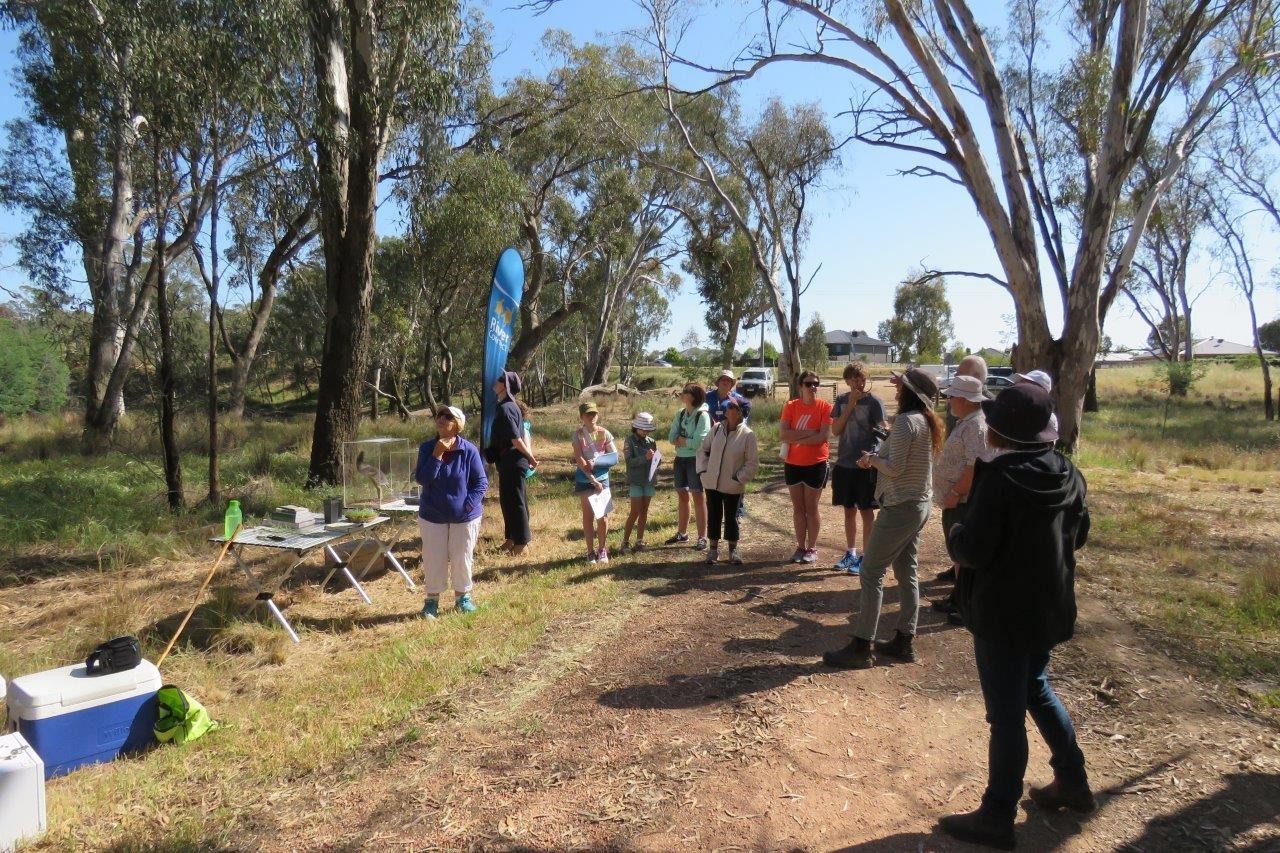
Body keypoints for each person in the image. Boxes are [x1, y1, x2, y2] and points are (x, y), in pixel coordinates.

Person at [939, 383, 1093, 849]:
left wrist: (956, 531)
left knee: (1006, 716)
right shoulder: (1069, 472)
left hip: (1002, 613)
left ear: (1001, 431)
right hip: (1046, 608)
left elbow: (973, 550)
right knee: (1036, 688)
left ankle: (997, 814)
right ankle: (1073, 780)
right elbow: (1079, 536)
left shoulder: (999, 479)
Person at [822, 368, 943, 669]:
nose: (896, 390)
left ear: (911, 392)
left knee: (872, 571)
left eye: (901, 386)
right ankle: (904, 640)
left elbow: (896, 468)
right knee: (906, 571)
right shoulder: (925, 421)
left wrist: (872, 459)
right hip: (919, 505)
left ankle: (863, 645)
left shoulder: (905, 421)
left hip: (901, 506)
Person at [414, 406, 488, 618]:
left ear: (457, 425)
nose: (441, 419)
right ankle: (431, 601)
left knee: (461, 557)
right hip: (432, 515)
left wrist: (468, 505)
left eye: (448, 417)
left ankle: (462, 597)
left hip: (464, 517)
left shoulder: (468, 450)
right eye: (439, 415)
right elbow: (423, 479)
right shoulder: (428, 448)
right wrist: (437, 454)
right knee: (433, 558)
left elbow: (481, 482)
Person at [830, 362, 887, 573]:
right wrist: (851, 405)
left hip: (866, 465)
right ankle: (851, 552)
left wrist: (875, 451)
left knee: (866, 511)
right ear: (847, 381)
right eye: (855, 379)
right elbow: (835, 430)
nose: (860, 383)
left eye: (862, 379)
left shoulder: (875, 402)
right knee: (848, 510)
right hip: (844, 463)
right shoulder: (841, 400)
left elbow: (883, 432)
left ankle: (866, 556)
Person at [696, 398, 759, 565]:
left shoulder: (748, 435)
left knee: (731, 517)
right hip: (712, 482)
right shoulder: (716, 428)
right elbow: (703, 450)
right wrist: (703, 471)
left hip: (733, 485)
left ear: (739, 412)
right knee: (714, 515)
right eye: (728, 406)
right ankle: (713, 550)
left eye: (732, 406)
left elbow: (752, 464)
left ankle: (733, 551)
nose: (727, 408)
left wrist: (738, 478)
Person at [780, 370, 833, 563]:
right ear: (800, 386)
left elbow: (823, 437)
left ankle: (812, 548)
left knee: (811, 508)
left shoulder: (825, 407)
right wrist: (811, 432)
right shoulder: (791, 406)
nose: (813, 387)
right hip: (793, 464)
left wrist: (798, 434)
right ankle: (800, 546)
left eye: (816, 383)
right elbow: (784, 435)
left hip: (816, 464)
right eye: (809, 384)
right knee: (797, 508)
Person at [487, 371, 538, 555]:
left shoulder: (507, 408)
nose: (496, 381)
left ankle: (522, 542)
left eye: (500, 380)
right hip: (506, 461)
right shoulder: (507, 406)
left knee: (516, 502)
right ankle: (511, 539)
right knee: (507, 501)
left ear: (506, 387)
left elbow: (516, 439)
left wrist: (530, 457)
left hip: (513, 461)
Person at [572, 401, 618, 564]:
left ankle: (602, 549)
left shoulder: (604, 433)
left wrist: (597, 462)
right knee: (588, 515)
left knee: (602, 515)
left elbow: (614, 457)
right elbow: (579, 458)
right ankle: (590, 551)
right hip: (585, 479)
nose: (591, 417)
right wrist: (592, 478)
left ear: (598, 415)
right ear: (581, 417)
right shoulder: (577, 435)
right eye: (587, 414)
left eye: (594, 413)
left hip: (602, 479)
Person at [667, 383, 711, 549]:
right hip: (680, 459)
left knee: (698, 497)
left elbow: (700, 442)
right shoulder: (680, 414)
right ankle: (682, 533)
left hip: (695, 461)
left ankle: (702, 537)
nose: (682, 394)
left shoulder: (703, 416)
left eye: (685, 392)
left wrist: (684, 441)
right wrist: (687, 441)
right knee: (682, 496)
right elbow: (671, 438)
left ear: (693, 396)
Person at [706, 369, 753, 521]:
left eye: (729, 381)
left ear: (732, 384)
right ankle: (715, 509)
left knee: (735, 474)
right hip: (713, 438)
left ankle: (737, 510)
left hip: (733, 440)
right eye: (723, 380)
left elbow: (744, 421)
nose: (725, 382)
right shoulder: (708, 397)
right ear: (718, 382)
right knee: (715, 474)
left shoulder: (738, 399)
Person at [621, 412, 659, 553]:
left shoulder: (651, 441)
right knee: (634, 512)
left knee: (644, 511)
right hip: (636, 481)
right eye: (643, 429)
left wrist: (657, 459)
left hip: (648, 481)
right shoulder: (629, 441)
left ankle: (639, 540)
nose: (645, 432)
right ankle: (625, 542)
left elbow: (656, 460)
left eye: (647, 429)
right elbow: (629, 461)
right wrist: (645, 457)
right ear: (636, 427)